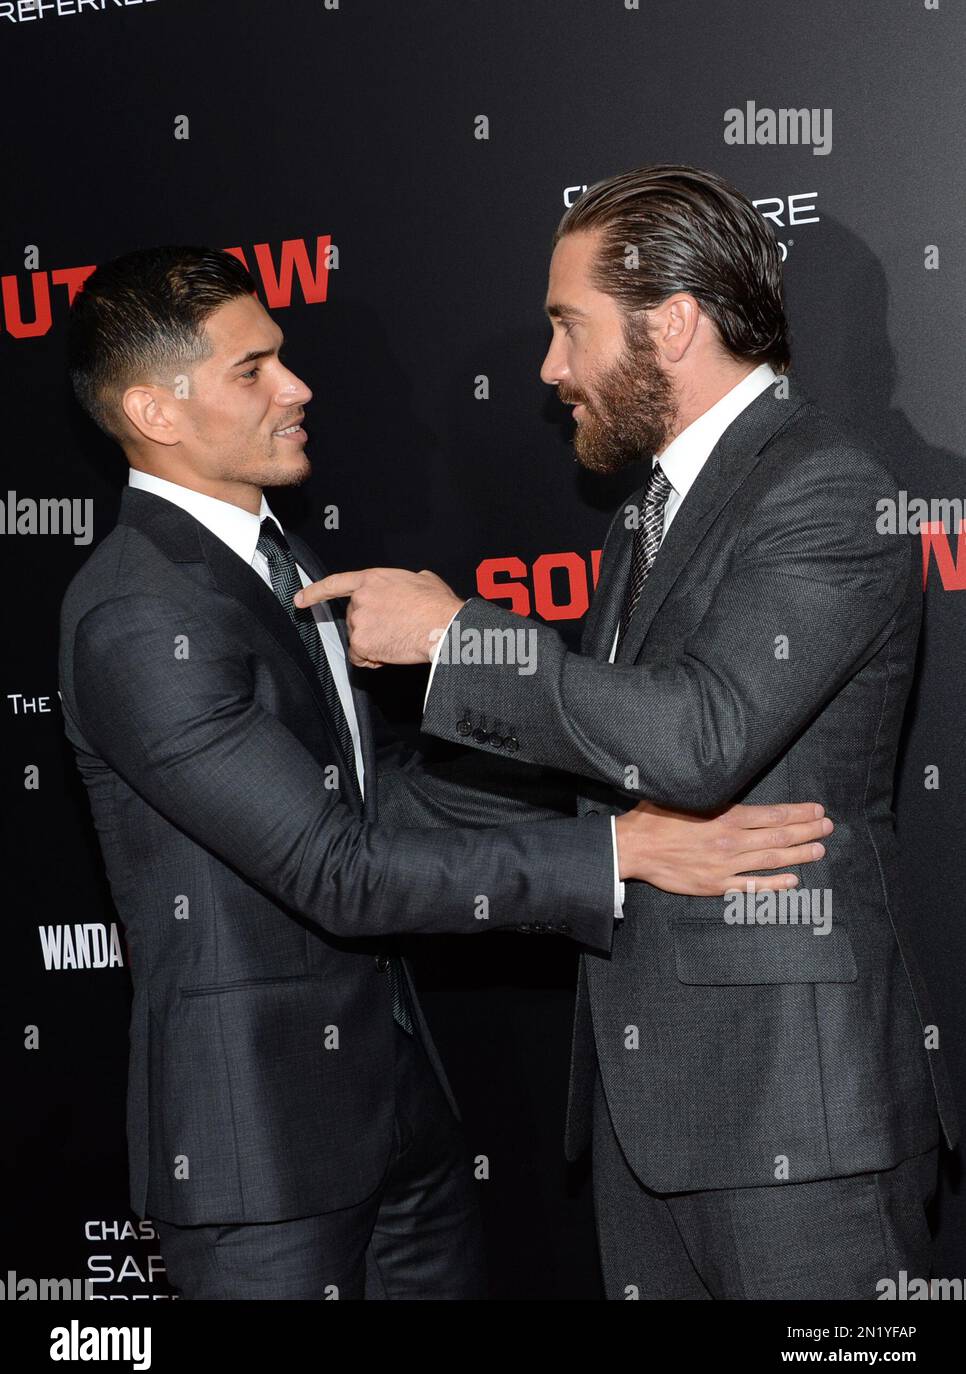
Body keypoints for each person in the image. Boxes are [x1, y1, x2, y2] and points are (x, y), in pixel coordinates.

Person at [59, 243, 829, 1300]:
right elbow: (340, 869)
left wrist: (604, 773)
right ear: (155, 412)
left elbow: (389, 796)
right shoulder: (138, 615)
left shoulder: (279, 561)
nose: (298, 387)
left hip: (400, 1122)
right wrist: (620, 847)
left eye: (282, 355)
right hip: (259, 1162)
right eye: (254, 371)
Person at [299, 165, 960, 1300]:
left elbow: (701, 736)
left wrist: (462, 638)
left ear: (676, 322)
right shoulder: (644, 520)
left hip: (795, 1122)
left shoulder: (826, 489)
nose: (550, 369)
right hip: (646, 1113)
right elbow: (605, 764)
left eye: (569, 326)